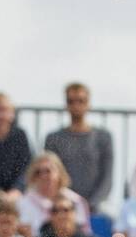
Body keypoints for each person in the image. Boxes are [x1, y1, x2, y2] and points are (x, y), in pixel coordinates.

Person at [44, 83, 113, 215]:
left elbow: (107, 178)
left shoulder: (103, 137)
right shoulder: (53, 138)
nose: (76, 105)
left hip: (96, 207)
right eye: (71, 101)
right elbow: (51, 177)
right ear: (66, 105)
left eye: (81, 101)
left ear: (88, 104)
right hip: (63, 207)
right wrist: (69, 203)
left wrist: (89, 205)